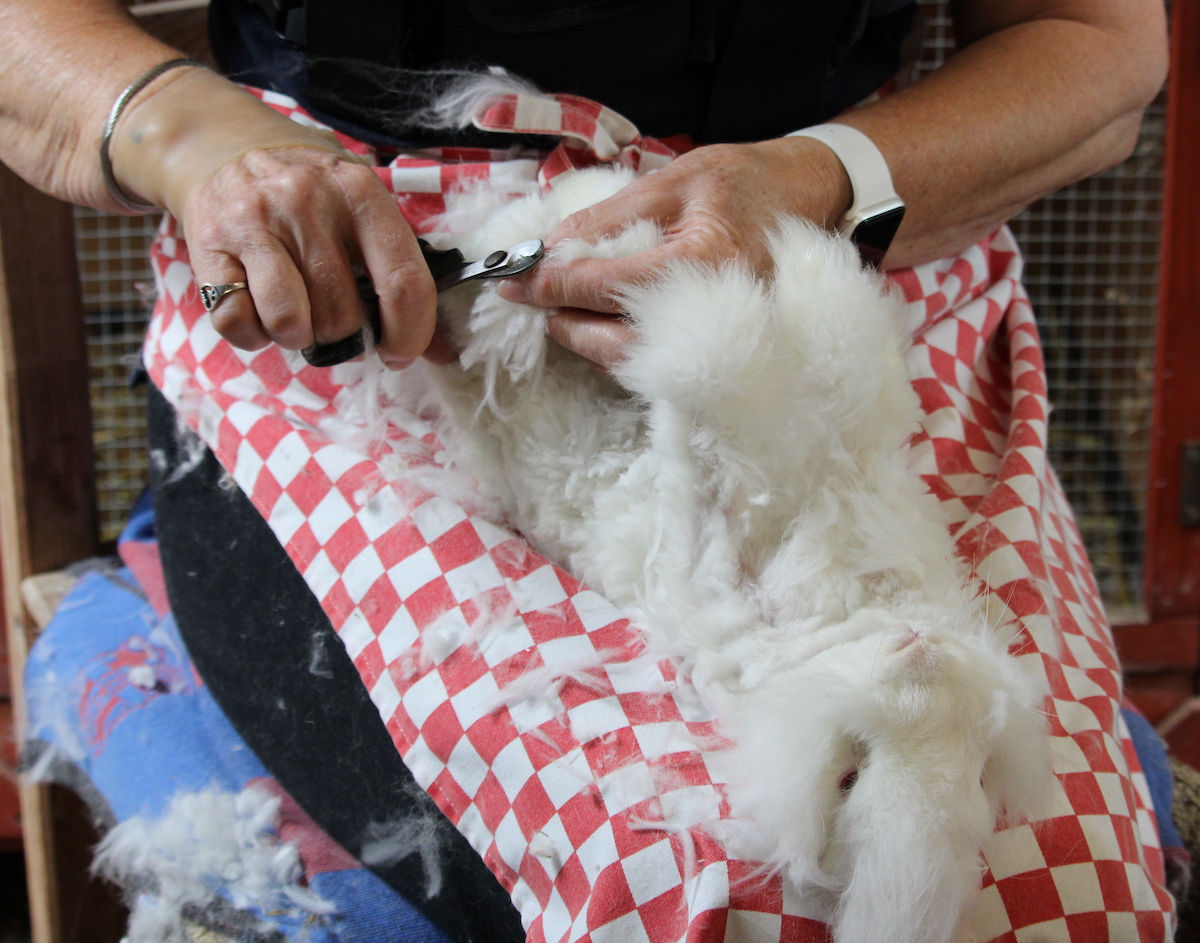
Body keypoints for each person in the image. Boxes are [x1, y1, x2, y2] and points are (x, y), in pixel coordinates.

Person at [0, 1, 1177, 941]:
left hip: (830, 245)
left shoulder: (819, 215)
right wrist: (202, 144)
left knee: (1044, 879)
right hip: (365, 280)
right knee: (701, 889)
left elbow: (1096, 42)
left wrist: (815, 182)